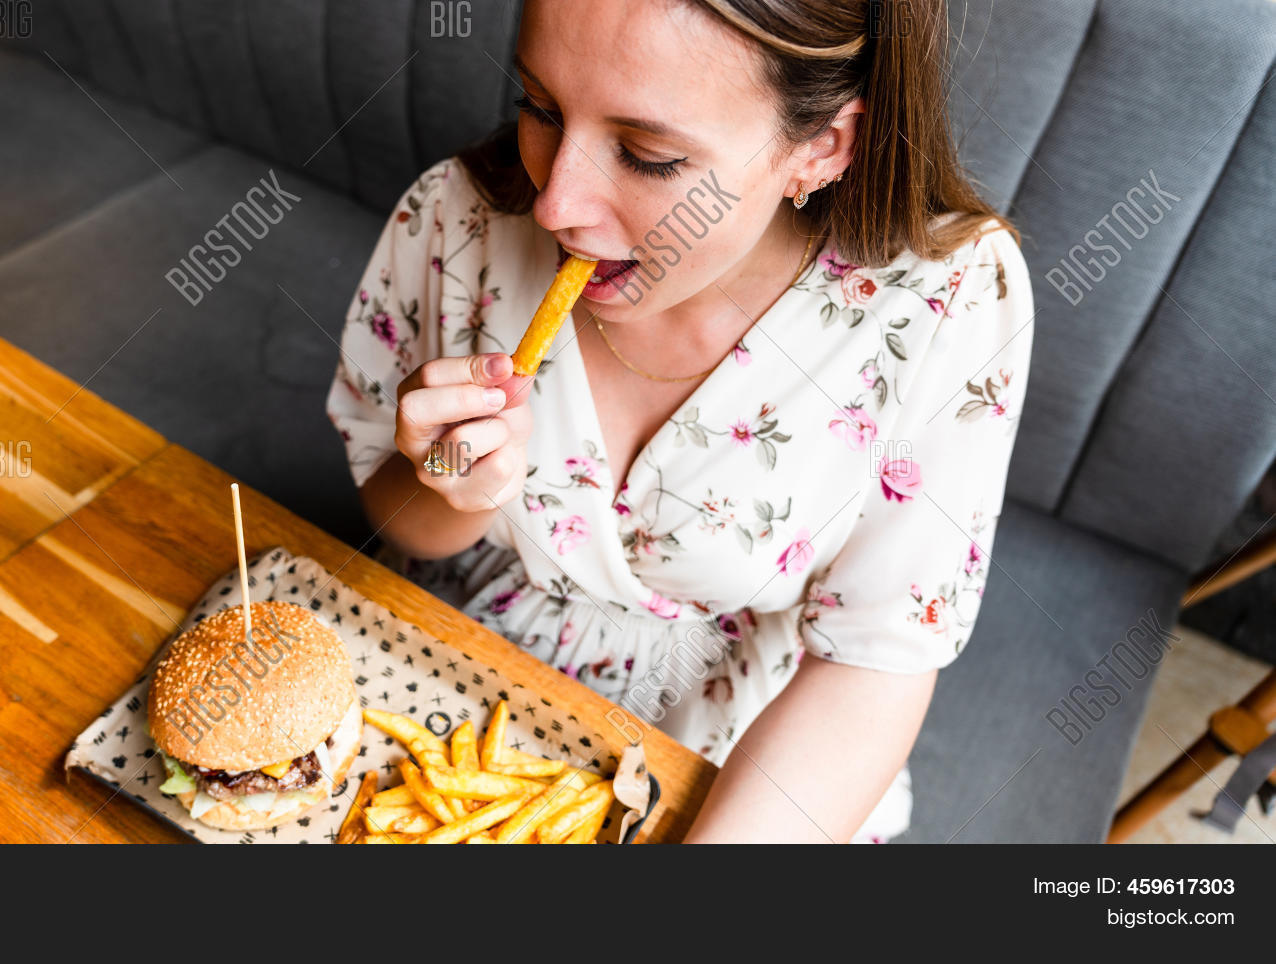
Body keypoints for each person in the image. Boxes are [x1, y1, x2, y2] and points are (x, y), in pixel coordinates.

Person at [325, 0, 1031, 843]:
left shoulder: (950, 304)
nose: (555, 205)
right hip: (455, 688)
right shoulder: (459, 218)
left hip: (748, 774)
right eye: (542, 108)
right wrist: (454, 487)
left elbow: (872, 663)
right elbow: (405, 526)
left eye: (648, 155)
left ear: (822, 148)